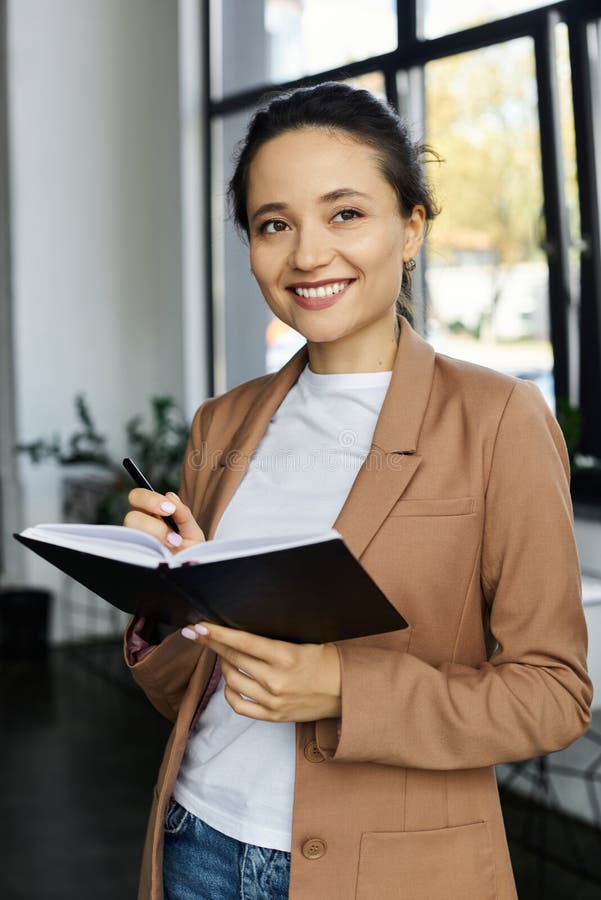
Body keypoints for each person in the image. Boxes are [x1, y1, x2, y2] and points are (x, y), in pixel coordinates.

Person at [123, 81, 592, 900]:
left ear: (410, 228)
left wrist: (342, 689)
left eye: (345, 214)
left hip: (389, 872)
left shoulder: (496, 420)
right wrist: (168, 597)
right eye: (274, 224)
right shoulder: (221, 425)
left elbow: (552, 696)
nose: (307, 254)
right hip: (196, 840)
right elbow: (182, 692)